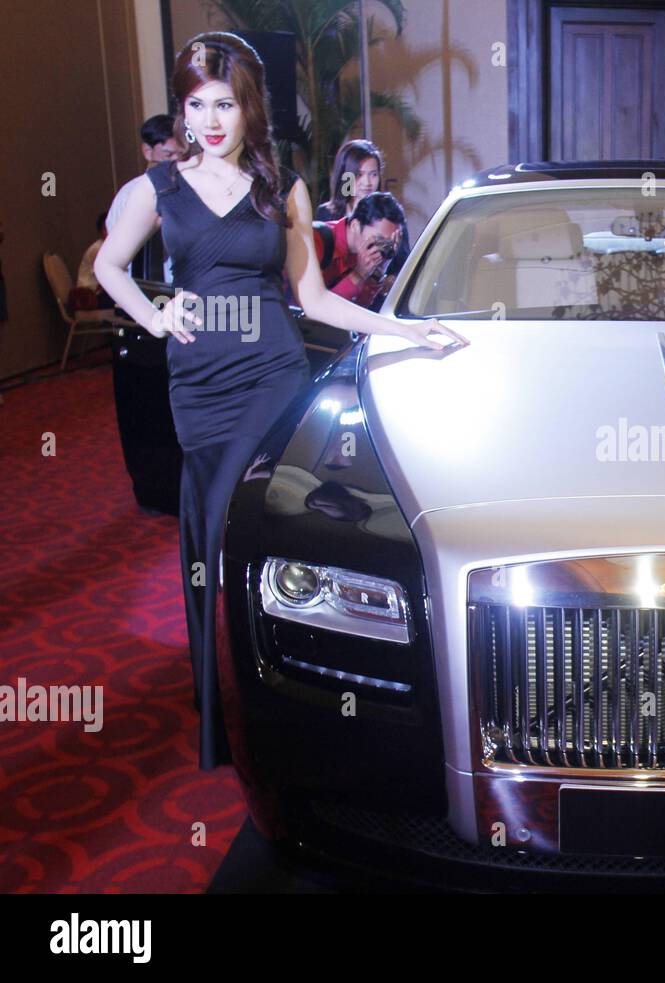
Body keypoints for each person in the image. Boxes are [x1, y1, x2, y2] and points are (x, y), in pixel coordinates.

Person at [95, 31, 451, 770]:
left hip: (272, 378)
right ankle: (224, 710)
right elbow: (108, 264)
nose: (210, 119)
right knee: (207, 538)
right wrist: (156, 315)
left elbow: (313, 297)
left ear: (247, 105)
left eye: (225, 102)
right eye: (196, 104)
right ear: (183, 110)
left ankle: (289, 704)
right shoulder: (157, 189)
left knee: (261, 536)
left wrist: (406, 330)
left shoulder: (278, 188)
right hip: (199, 388)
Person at [317, 138, 412, 278]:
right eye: (359, 175)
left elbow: (404, 265)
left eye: (373, 174)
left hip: (380, 295)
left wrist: (390, 277)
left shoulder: (389, 214)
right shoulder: (326, 214)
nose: (367, 183)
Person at [107, 114, 185, 283]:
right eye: (168, 154)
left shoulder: (188, 189)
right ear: (148, 152)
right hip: (144, 290)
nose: (176, 162)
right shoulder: (129, 195)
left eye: (181, 155)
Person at [313, 191, 406, 309]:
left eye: (388, 243)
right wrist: (358, 274)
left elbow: (358, 309)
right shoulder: (316, 240)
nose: (382, 248)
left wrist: (380, 268)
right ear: (355, 226)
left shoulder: (363, 253)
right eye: (379, 239)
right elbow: (318, 309)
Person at [73, 213, 112, 309]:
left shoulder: (109, 247)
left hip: (98, 293)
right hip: (88, 298)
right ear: (102, 231)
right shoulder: (98, 249)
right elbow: (107, 279)